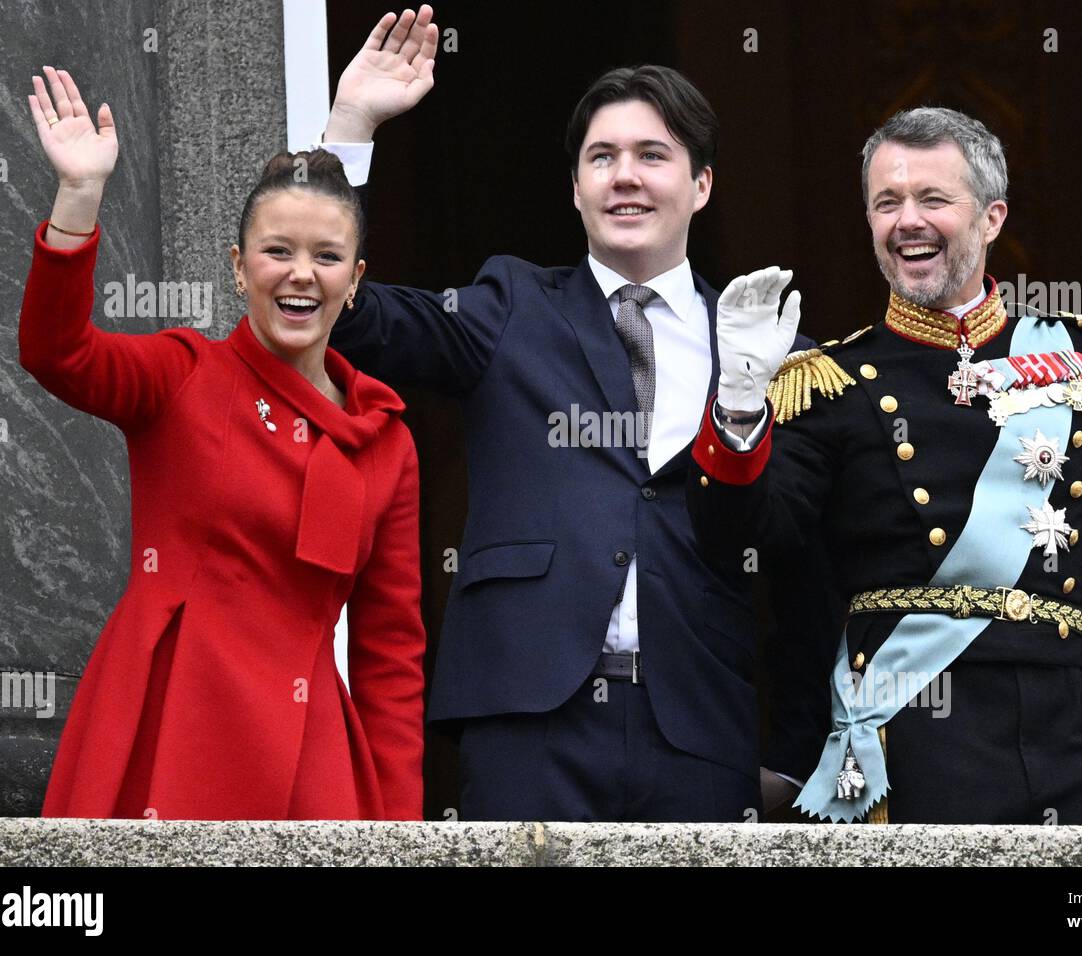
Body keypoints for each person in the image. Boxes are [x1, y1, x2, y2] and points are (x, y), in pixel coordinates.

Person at [318, 7, 809, 820]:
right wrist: (351, 128)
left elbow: (796, 555)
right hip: (530, 720)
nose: (626, 176)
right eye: (602, 157)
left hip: (700, 726)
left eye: (654, 155)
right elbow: (352, 315)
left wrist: (795, 754)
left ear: (702, 184)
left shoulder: (766, 341)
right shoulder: (510, 304)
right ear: (574, 187)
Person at [688, 106, 1082, 825]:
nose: (908, 221)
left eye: (933, 199)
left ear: (992, 218)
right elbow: (745, 538)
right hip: (913, 748)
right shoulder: (833, 383)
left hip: (1072, 746)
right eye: (886, 202)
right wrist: (742, 401)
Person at [20, 66, 425, 820]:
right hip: (165, 732)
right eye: (276, 252)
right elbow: (57, 352)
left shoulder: (386, 442)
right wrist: (78, 196)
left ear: (356, 279)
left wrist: (399, 838)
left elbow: (390, 659)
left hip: (310, 760)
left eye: (327, 257)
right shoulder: (183, 375)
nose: (301, 274)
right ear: (239, 270)